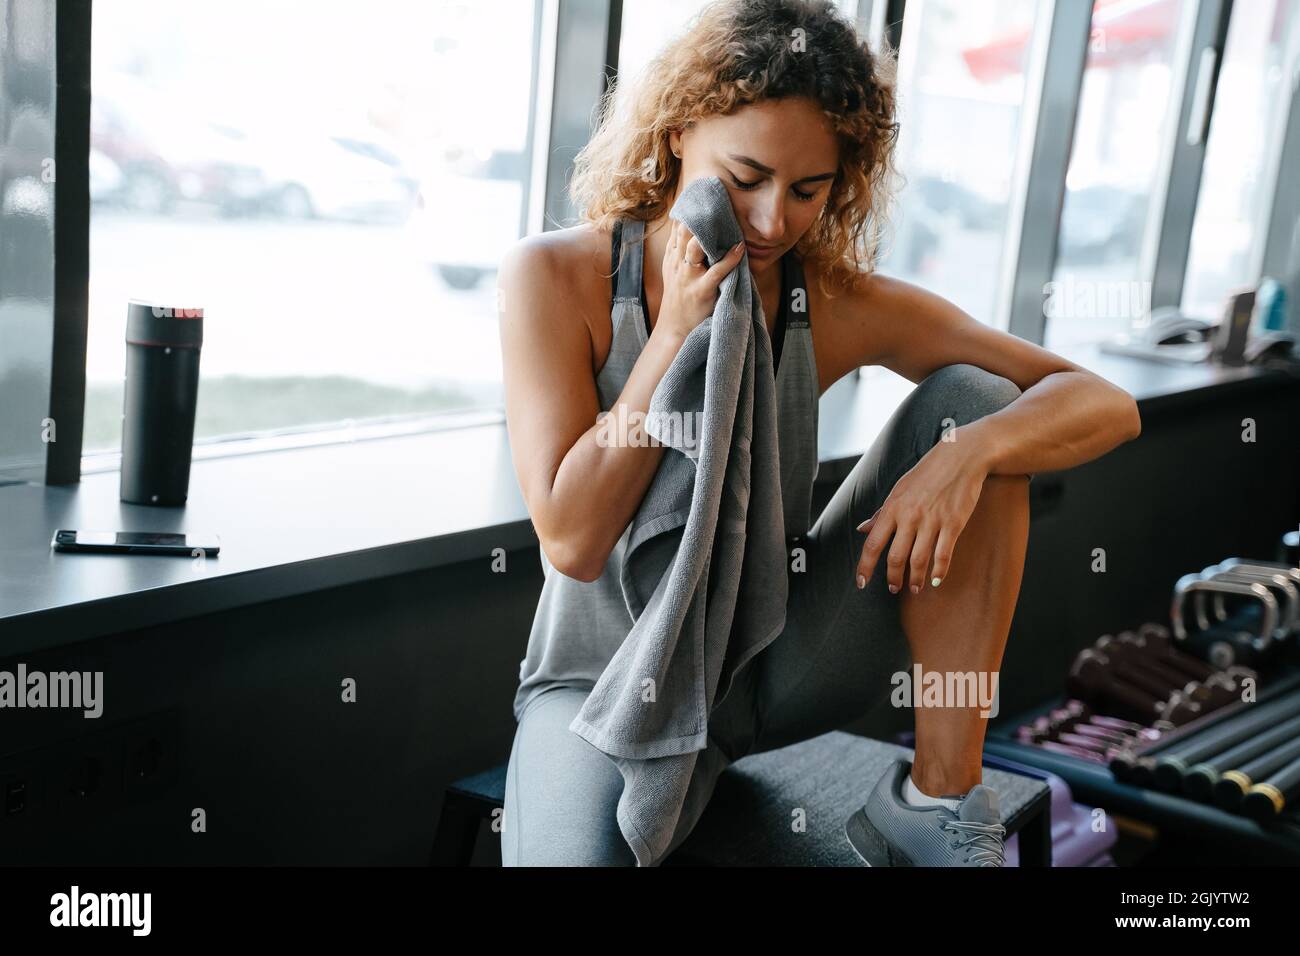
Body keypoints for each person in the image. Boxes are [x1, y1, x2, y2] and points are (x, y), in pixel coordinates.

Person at [496, 0, 1141, 866]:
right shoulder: (555, 276)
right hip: (592, 686)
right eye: (747, 175)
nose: (769, 223)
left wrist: (967, 453)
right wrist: (674, 341)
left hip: (765, 675)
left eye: (808, 190)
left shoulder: (826, 302)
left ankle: (940, 799)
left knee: (980, 399)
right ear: (680, 130)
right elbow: (571, 541)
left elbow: (1104, 402)